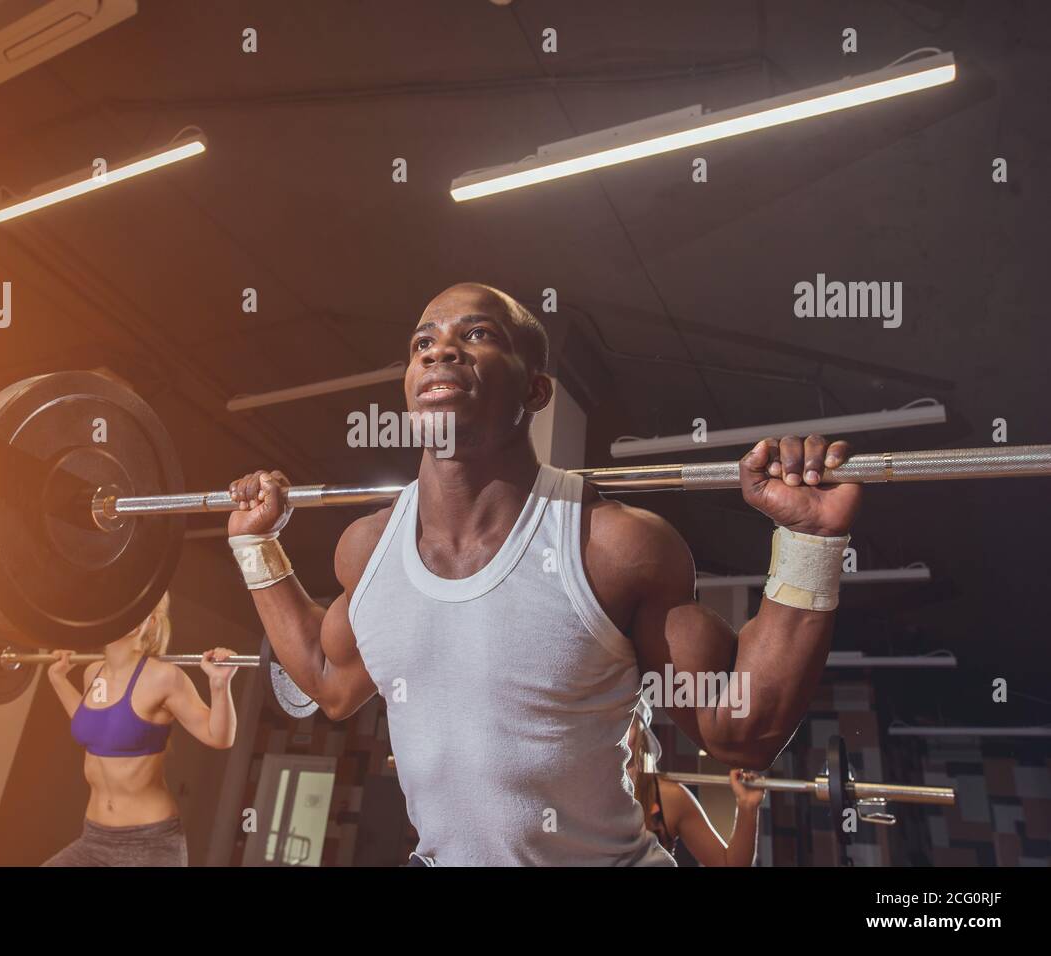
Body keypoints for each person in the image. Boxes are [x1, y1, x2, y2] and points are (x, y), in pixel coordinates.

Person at [225, 282, 862, 866]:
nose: (440, 351)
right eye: (424, 342)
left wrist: (809, 542)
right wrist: (257, 549)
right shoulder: (366, 550)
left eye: (476, 335)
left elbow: (739, 730)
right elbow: (331, 681)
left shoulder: (611, 546)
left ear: (536, 390)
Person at [42, 591, 238, 866]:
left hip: (149, 845)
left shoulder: (162, 677)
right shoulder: (93, 673)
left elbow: (218, 736)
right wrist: (58, 679)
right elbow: (96, 728)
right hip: (93, 839)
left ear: (146, 623)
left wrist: (220, 685)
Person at [626, 699, 764, 866]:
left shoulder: (667, 797)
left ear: (639, 733)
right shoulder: (586, 793)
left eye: (626, 723)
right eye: (606, 725)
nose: (615, 734)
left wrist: (747, 806)